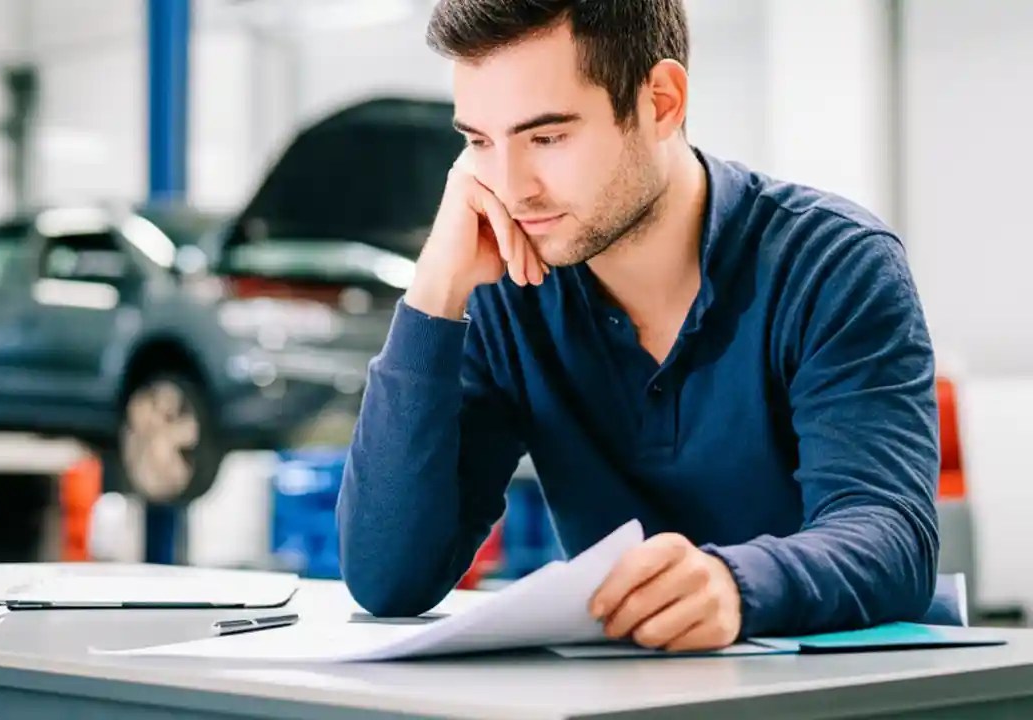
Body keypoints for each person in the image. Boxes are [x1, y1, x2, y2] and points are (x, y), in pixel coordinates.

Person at [337, 0, 940, 651]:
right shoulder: (507, 285)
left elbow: (890, 537)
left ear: (661, 102)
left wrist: (736, 584)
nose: (512, 187)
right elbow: (388, 580)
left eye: (546, 138)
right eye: (480, 142)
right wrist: (434, 290)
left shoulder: (834, 263)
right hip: (618, 697)